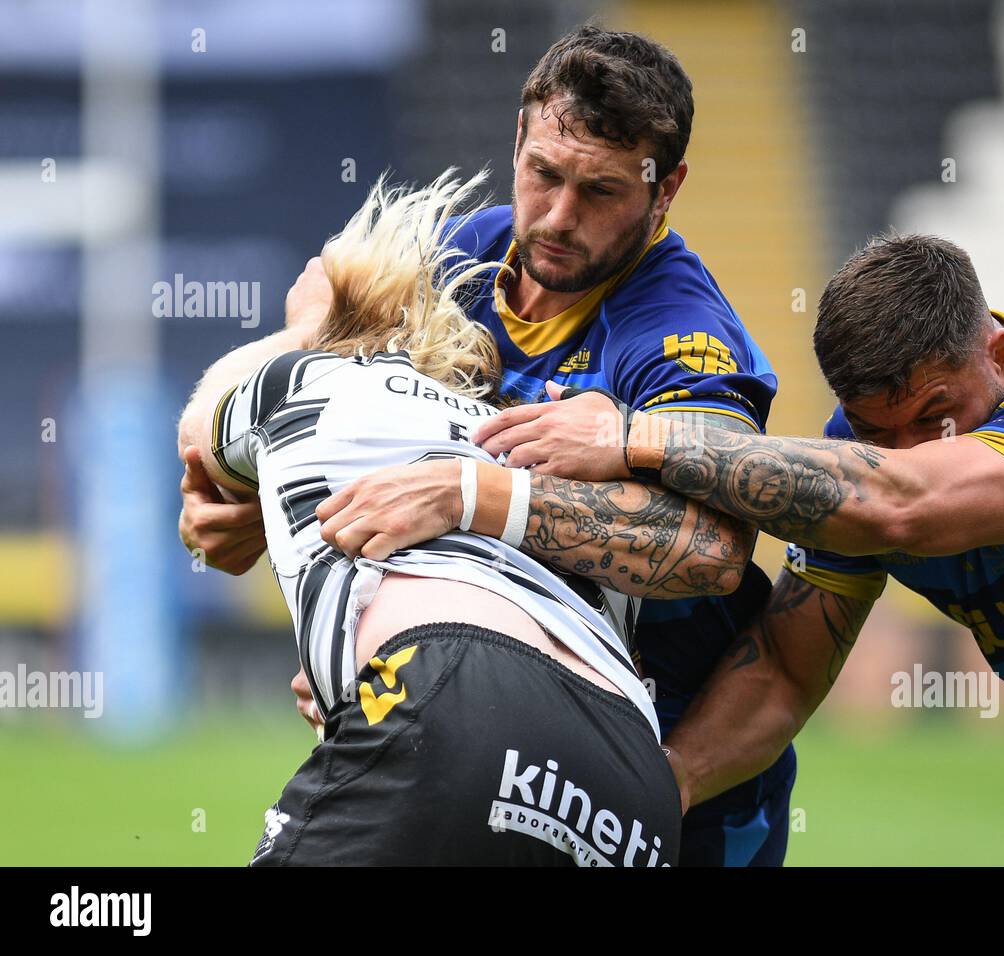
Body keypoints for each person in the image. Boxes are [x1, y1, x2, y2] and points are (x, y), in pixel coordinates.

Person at [453, 233, 1004, 865]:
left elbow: (904, 503)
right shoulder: (862, 469)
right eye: (872, 431)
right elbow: (787, 669)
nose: (908, 449)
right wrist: (657, 783)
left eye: (934, 416)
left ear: (1001, 355)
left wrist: (640, 437)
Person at [179, 25, 795, 866]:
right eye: (545, 173)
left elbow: (710, 552)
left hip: (666, 774)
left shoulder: (679, 337)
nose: (559, 217)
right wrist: (262, 501)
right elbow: (331, 342)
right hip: (477, 715)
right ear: (517, 142)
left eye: (603, 191)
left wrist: (475, 494)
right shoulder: (461, 257)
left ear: (666, 190)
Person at [176, 171, 683, 866]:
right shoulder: (518, 446)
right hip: (636, 775)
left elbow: (198, 434)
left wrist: (299, 332)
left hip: (450, 696)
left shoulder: (303, 380)